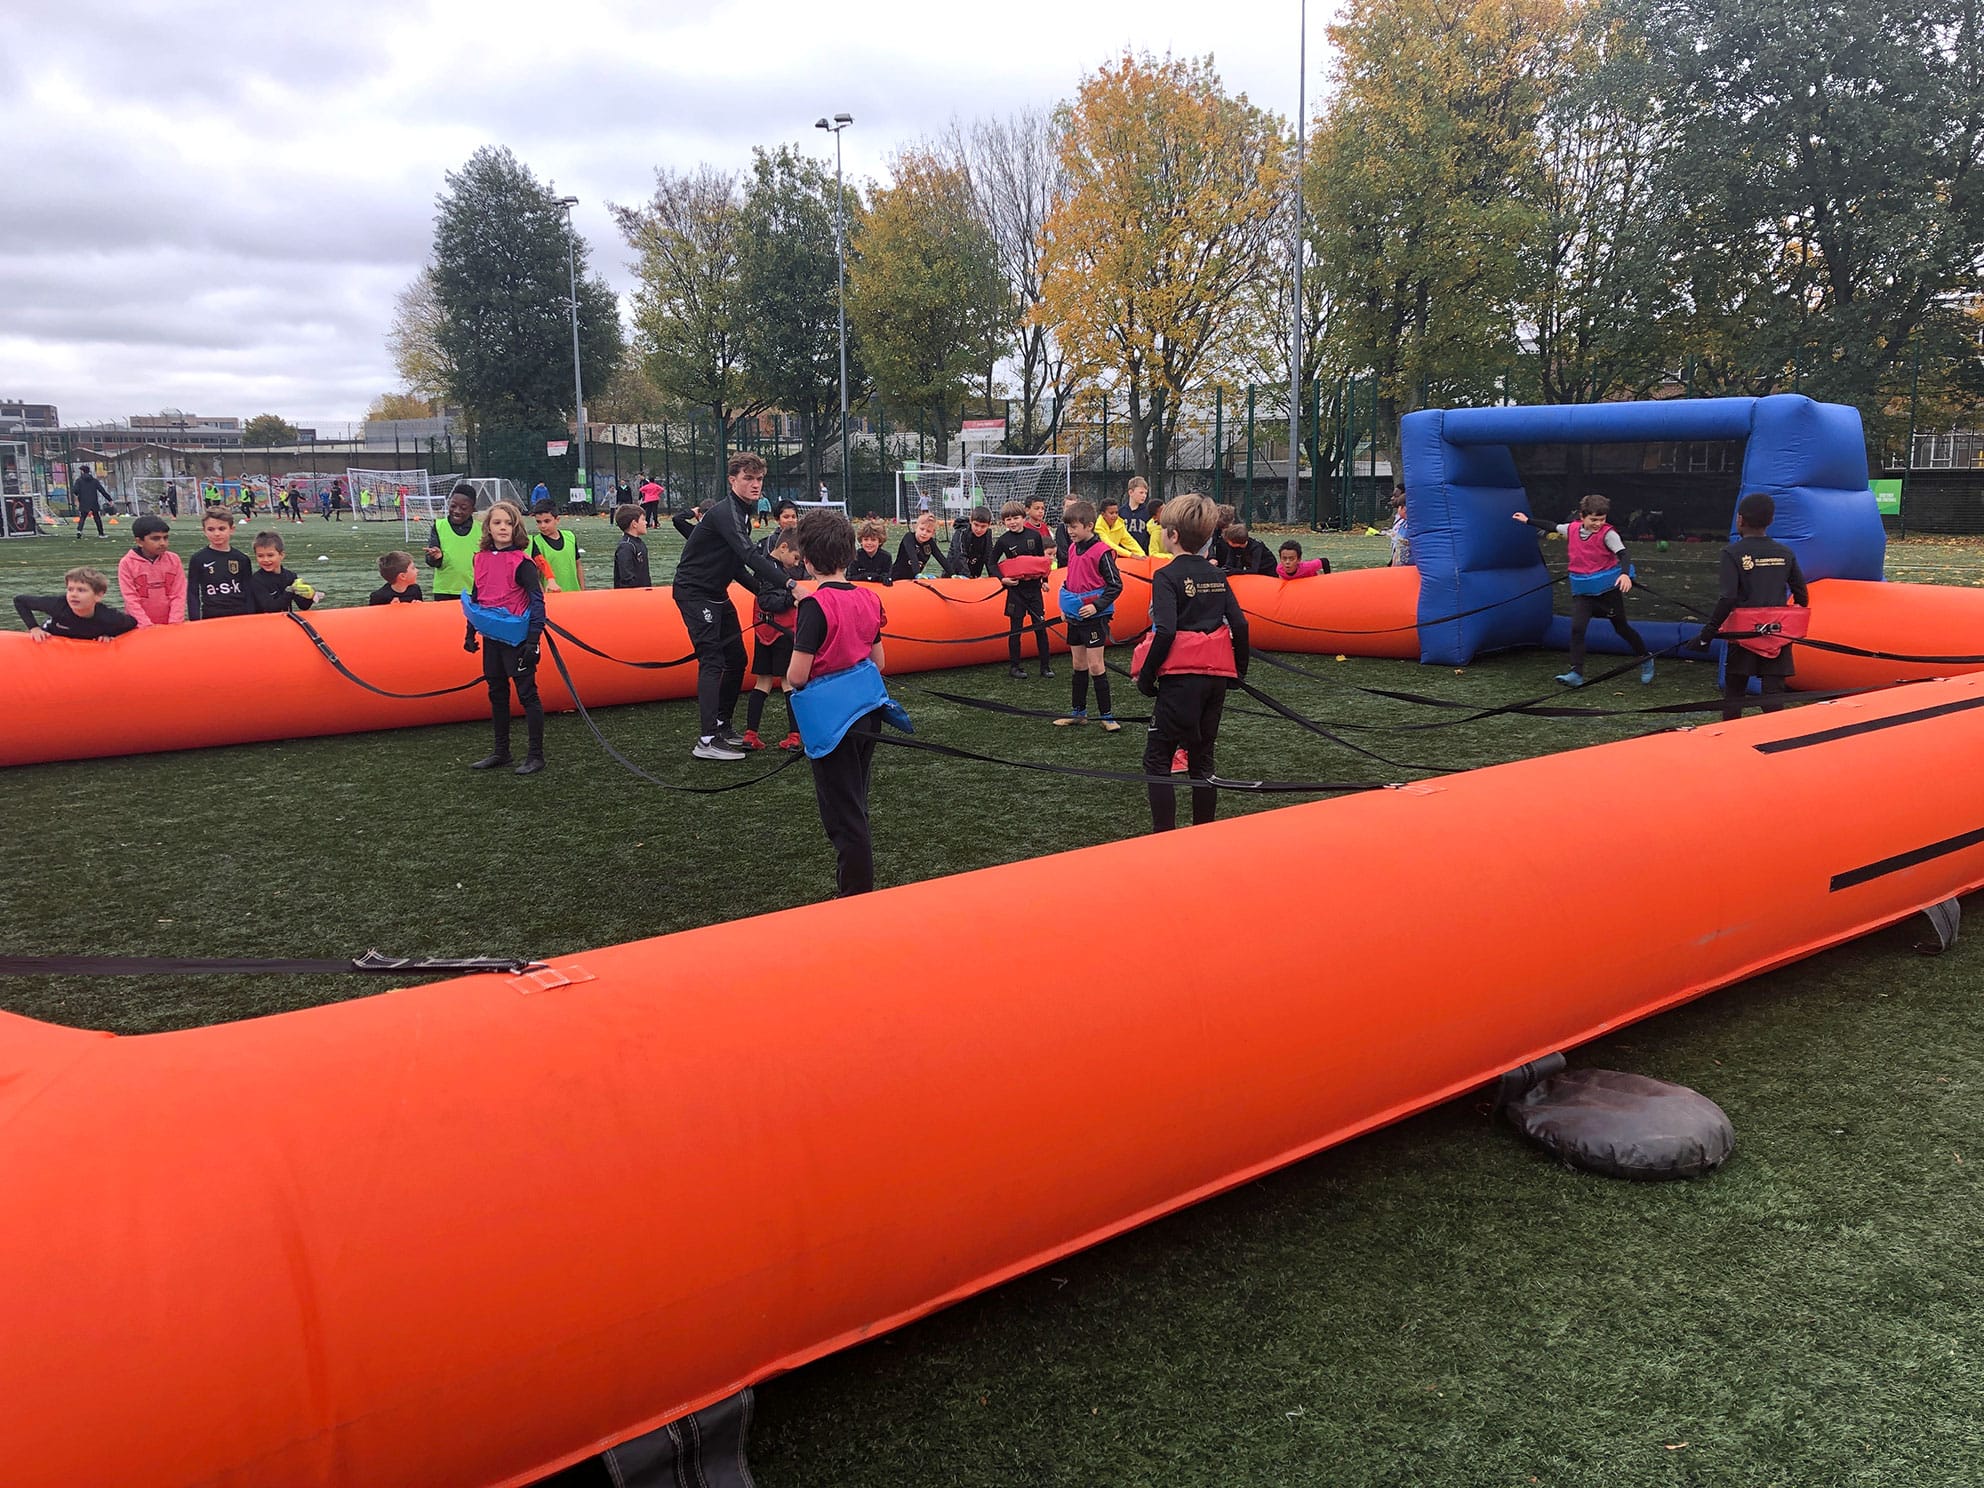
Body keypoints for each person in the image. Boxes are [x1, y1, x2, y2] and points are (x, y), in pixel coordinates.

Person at [787, 509, 902, 897]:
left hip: (832, 720)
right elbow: (879, 661)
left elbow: (798, 675)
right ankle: (854, 889)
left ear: (806, 561)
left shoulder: (814, 606)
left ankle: (855, 896)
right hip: (867, 713)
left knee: (843, 815)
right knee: (856, 804)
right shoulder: (869, 597)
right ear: (850, 555)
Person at [674, 452, 798, 760]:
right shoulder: (726, 512)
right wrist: (790, 584)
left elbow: (733, 566)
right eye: (748, 478)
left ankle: (721, 725)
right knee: (712, 660)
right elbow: (748, 556)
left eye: (759, 479)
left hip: (716, 593)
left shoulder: (743, 512)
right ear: (732, 480)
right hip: (695, 593)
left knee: (737, 659)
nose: (756, 484)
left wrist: (762, 591)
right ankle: (706, 741)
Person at [1135, 493, 1248, 832]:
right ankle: (1203, 834)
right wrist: (1238, 673)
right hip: (1214, 680)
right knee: (1202, 761)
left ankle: (1164, 838)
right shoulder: (1217, 574)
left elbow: (1166, 630)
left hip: (1180, 681)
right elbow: (1240, 625)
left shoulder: (1166, 576)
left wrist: (1147, 676)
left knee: (1158, 760)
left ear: (1172, 535)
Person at [1514, 494, 1653, 687]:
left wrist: (1624, 574)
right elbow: (1552, 526)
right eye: (1593, 519)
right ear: (1582, 516)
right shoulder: (1572, 529)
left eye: (1602, 519)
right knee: (1577, 629)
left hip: (1607, 592)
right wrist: (1527, 520)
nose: (1598, 524)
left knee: (1621, 628)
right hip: (1583, 593)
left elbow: (1624, 554)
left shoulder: (1608, 534)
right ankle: (1576, 673)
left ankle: (1645, 658)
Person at [1693, 492, 1810, 720]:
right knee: (1773, 698)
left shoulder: (1732, 553)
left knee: (1735, 694)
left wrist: (1706, 635)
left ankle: (1732, 738)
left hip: (1743, 636)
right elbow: (1802, 596)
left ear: (1740, 519)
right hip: (1777, 635)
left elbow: (1727, 598)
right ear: (1771, 520)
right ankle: (1776, 739)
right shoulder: (1785, 553)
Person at [461, 500, 548, 776]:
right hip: (492, 638)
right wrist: (470, 631)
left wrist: (533, 641)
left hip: (518, 640)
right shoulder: (480, 558)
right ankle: (502, 751)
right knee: (496, 693)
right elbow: (478, 596)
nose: (503, 528)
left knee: (527, 695)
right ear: (488, 527)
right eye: (497, 522)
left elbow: (538, 602)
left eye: (508, 523)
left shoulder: (522, 562)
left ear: (516, 528)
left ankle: (535, 755)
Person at [1053, 499, 1124, 731]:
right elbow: (1072, 581)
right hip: (1075, 617)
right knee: (1078, 664)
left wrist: (1096, 606)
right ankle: (1078, 713)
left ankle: (1107, 716)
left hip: (1094, 618)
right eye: (1067, 526)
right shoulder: (1072, 549)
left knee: (1095, 665)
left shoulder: (1102, 552)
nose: (1070, 531)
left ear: (1089, 526)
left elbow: (1116, 585)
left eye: (1074, 527)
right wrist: (1066, 608)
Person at [742, 533, 806, 751]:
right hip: (780, 632)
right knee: (788, 682)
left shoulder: (765, 567)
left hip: (764, 631)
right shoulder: (773, 572)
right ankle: (794, 736)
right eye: (795, 558)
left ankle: (751, 734)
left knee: (763, 681)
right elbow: (768, 600)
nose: (796, 564)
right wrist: (792, 599)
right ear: (783, 548)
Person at [992, 499, 1053, 679]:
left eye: (1015, 518)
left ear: (1023, 517)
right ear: (1003, 521)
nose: (1012, 522)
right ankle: (1015, 667)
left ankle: (1045, 667)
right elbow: (991, 562)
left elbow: (1042, 562)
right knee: (1015, 629)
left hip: (1034, 590)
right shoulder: (1003, 540)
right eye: (1008, 519)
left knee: (1040, 627)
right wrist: (1003, 579)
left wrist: (1044, 580)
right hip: (1015, 591)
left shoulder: (1034, 536)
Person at [15, 567, 138, 643]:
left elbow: (132, 623)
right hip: (52, 639)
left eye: (81, 590)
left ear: (98, 595)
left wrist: (109, 635)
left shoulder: (108, 617)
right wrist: (34, 628)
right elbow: (20, 601)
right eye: (70, 589)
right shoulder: (58, 605)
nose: (73, 594)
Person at [187, 508, 257, 621]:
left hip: (240, 615)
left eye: (222, 528)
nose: (217, 533)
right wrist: (194, 620)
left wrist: (251, 617)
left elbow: (249, 592)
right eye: (211, 529)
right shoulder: (198, 559)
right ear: (204, 531)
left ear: (232, 529)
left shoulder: (242, 559)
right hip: (212, 616)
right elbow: (192, 592)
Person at [117, 515, 187, 627]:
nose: (162, 543)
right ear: (139, 541)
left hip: (171, 626)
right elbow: (131, 599)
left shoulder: (174, 560)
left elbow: (178, 594)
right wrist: (147, 626)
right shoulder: (127, 563)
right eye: (155, 538)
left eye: (165, 538)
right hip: (140, 627)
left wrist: (174, 623)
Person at [423, 484, 480, 600]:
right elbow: (430, 560)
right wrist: (436, 557)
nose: (457, 511)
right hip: (444, 590)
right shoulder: (439, 526)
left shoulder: (482, 529)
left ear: (473, 510)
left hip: (472, 590)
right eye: (453, 506)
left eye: (463, 508)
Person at [247, 531, 318, 614]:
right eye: (260, 556)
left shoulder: (290, 576)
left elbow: (303, 606)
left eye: (270, 555)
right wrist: (289, 591)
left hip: (285, 619)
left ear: (281, 555)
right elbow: (270, 608)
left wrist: (309, 596)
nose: (265, 560)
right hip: (264, 620)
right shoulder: (256, 580)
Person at [528, 497, 585, 592]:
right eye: (539, 522)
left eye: (547, 521)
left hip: (575, 594)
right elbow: (536, 576)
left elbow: (578, 565)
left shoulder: (570, 536)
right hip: (552, 596)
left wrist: (583, 590)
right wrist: (543, 596)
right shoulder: (535, 543)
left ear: (557, 519)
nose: (542, 526)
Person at [892, 512, 955, 580]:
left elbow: (940, 558)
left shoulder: (930, 542)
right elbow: (913, 556)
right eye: (922, 529)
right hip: (896, 578)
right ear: (916, 527)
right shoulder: (909, 537)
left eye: (928, 531)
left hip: (912, 579)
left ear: (933, 533)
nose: (924, 533)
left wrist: (952, 574)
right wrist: (917, 574)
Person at [1212, 521, 1277, 575]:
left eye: (1228, 540)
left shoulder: (1256, 547)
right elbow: (1229, 564)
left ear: (1235, 543)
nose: (1226, 541)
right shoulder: (1233, 547)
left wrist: (1234, 571)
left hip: (1268, 570)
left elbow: (1254, 570)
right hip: (1251, 568)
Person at [949, 505, 996, 577]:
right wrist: (968, 576)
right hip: (953, 574)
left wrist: (994, 576)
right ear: (971, 521)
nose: (979, 529)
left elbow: (988, 557)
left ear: (989, 525)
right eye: (976, 525)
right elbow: (959, 555)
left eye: (983, 526)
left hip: (974, 574)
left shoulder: (987, 535)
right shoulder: (961, 532)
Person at [612, 504, 652, 588]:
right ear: (634, 524)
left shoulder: (639, 543)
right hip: (630, 594)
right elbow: (626, 577)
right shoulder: (626, 546)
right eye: (643, 519)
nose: (646, 522)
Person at [848, 519, 894, 584]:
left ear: (880, 541)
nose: (869, 543)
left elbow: (888, 576)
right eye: (866, 539)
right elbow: (850, 577)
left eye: (873, 540)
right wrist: (868, 576)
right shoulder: (855, 556)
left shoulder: (886, 557)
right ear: (861, 541)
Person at [72, 468, 110, 538]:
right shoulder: (94, 481)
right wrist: (109, 499)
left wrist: (78, 495)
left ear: (82, 471)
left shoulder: (79, 480)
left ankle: (79, 530)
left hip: (83, 501)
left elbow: (75, 491)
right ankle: (101, 533)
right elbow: (102, 490)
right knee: (97, 518)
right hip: (93, 501)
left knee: (83, 517)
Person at [1121, 477, 1153, 553]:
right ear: (1131, 492)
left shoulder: (1148, 512)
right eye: (1141, 492)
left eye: (1145, 493)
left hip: (1143, 554)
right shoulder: (1121, 512)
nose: (1144, 496)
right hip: (1125, 554)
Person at [1387, 491, 1412, 567]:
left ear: (1404, 509)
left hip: (1407, 565)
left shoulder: (1412, 526)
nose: (1398, 510)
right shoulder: (1402, 523)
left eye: (1399, 507)